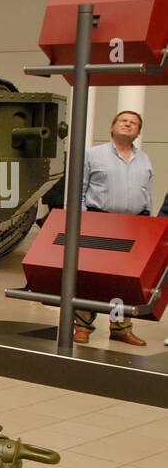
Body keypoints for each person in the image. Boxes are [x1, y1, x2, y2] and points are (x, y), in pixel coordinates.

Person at [74, 110, 154, 346]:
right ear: (112, 127)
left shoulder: (145, 159)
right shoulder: (93, 154)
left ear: (138, 132)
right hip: (99, 224)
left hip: (133, 227)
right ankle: (83, 327)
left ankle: (120, 327)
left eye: (134, 123)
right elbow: (79, 188)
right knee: (91, 278)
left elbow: (146, 194)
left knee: (123, 282)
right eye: (123, 121)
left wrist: (148, 223)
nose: (128, 125)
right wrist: (82, 221)